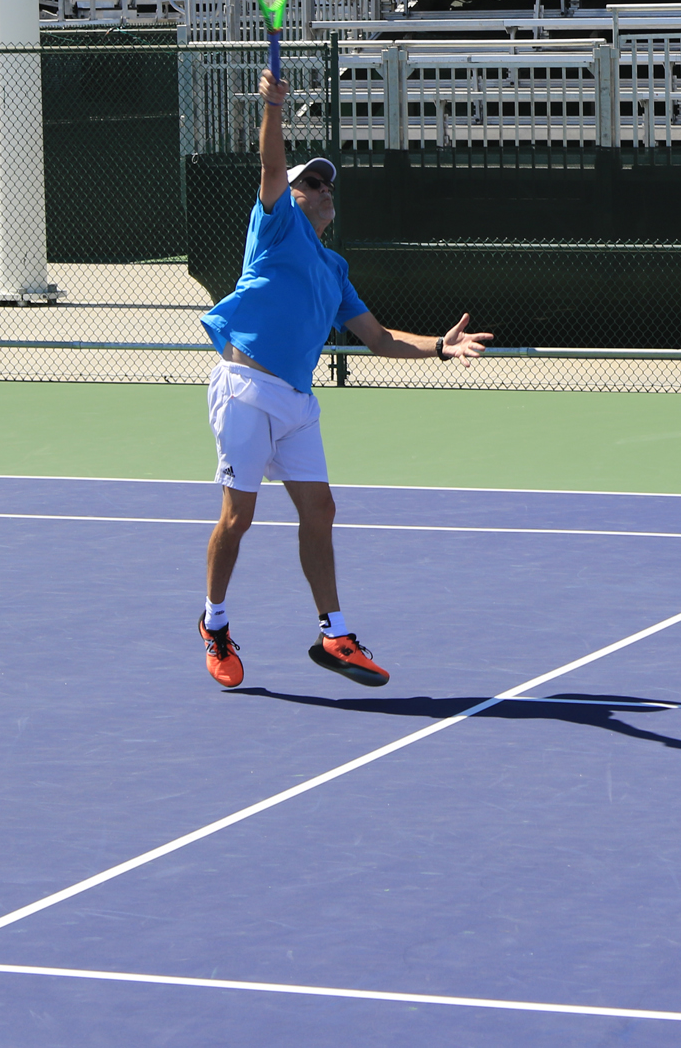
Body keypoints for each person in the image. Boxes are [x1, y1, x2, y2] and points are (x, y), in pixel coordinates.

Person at [194, 68, 492, 690]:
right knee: (238, 517)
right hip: (245, 388)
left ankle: (334, 633)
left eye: (328, 182)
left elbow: (379, 338)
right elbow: (271, 169)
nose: (323, 187)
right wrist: (273, 109)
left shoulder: (334, 270)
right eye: (312, 181)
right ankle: (215, 624)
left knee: (321, 508)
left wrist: (440, 346)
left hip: (297, 401)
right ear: (295, 196)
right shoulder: (275, 230)